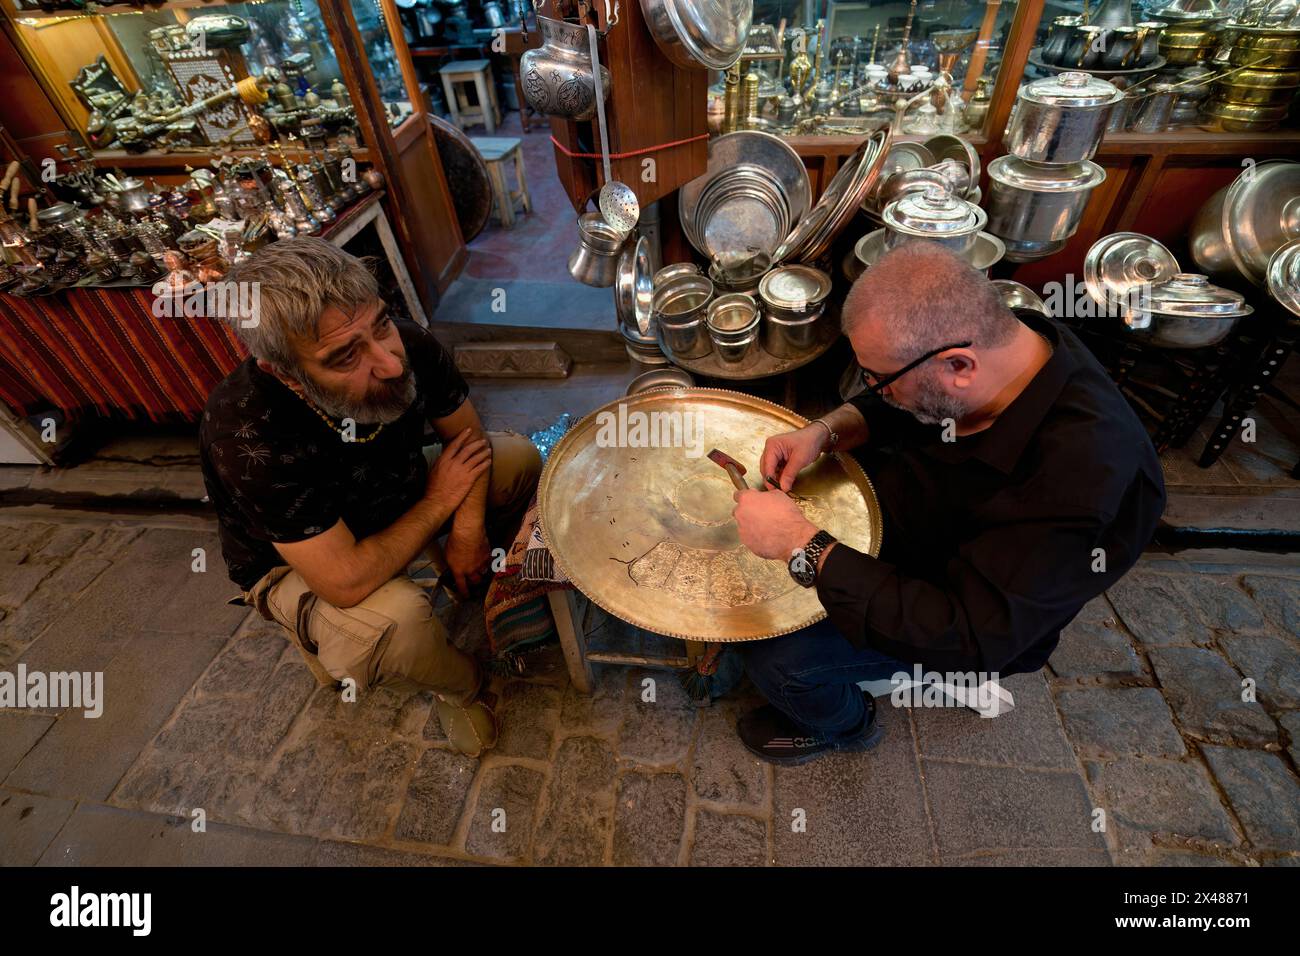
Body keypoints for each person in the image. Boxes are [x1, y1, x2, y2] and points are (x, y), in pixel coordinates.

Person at [730, 241, 1166, 765]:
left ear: (959, 365)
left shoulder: (1086, 476)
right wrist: (824, 431)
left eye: (880, 381)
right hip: (908, 524)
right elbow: (902, 401)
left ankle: (847, 727)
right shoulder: (1010, 340)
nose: (872, 390)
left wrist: (802, 546)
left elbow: (970, 634)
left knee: (776, 661)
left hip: (955, 615)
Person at [199, 237, 540, 757]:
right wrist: (438, 504)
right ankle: (463, 683)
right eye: (344, 357)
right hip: (302, 561)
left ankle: (479, 576)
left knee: (515, 459)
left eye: (380, 325)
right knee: (394, 625)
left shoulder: (404, 344)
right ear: (283, 372)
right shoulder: (246, 431)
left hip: (393, 491)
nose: (390, 364)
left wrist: (468, 533)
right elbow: (344, 579)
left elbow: (467, 439)